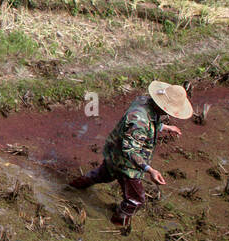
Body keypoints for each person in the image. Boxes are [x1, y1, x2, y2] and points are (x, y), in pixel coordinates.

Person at [70, 81, 192, 226]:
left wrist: (165, 127)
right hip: (126, 164)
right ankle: (118, 222)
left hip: (114, 152)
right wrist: (150, 170)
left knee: (103, 174)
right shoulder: (139, 122)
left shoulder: (144, 101)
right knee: (136, 200)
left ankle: (72, 188)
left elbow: (150, 120)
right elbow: (130, 150)